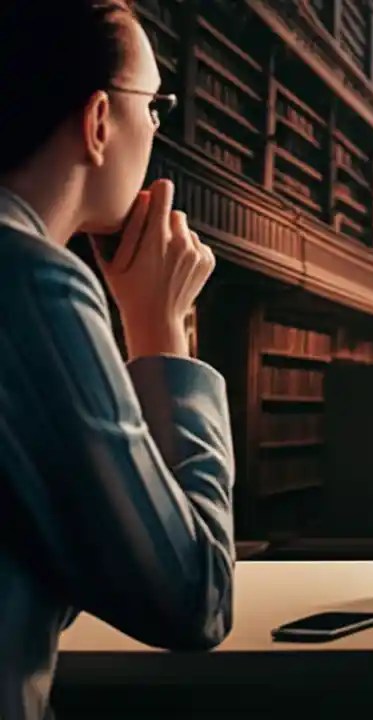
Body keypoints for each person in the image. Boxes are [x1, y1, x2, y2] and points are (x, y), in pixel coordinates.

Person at [0, 1, 235, 718]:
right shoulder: (33, 282)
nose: (158, 128)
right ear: (99, 121)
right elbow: (194, 597)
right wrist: (161, 331)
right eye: (154, 104)